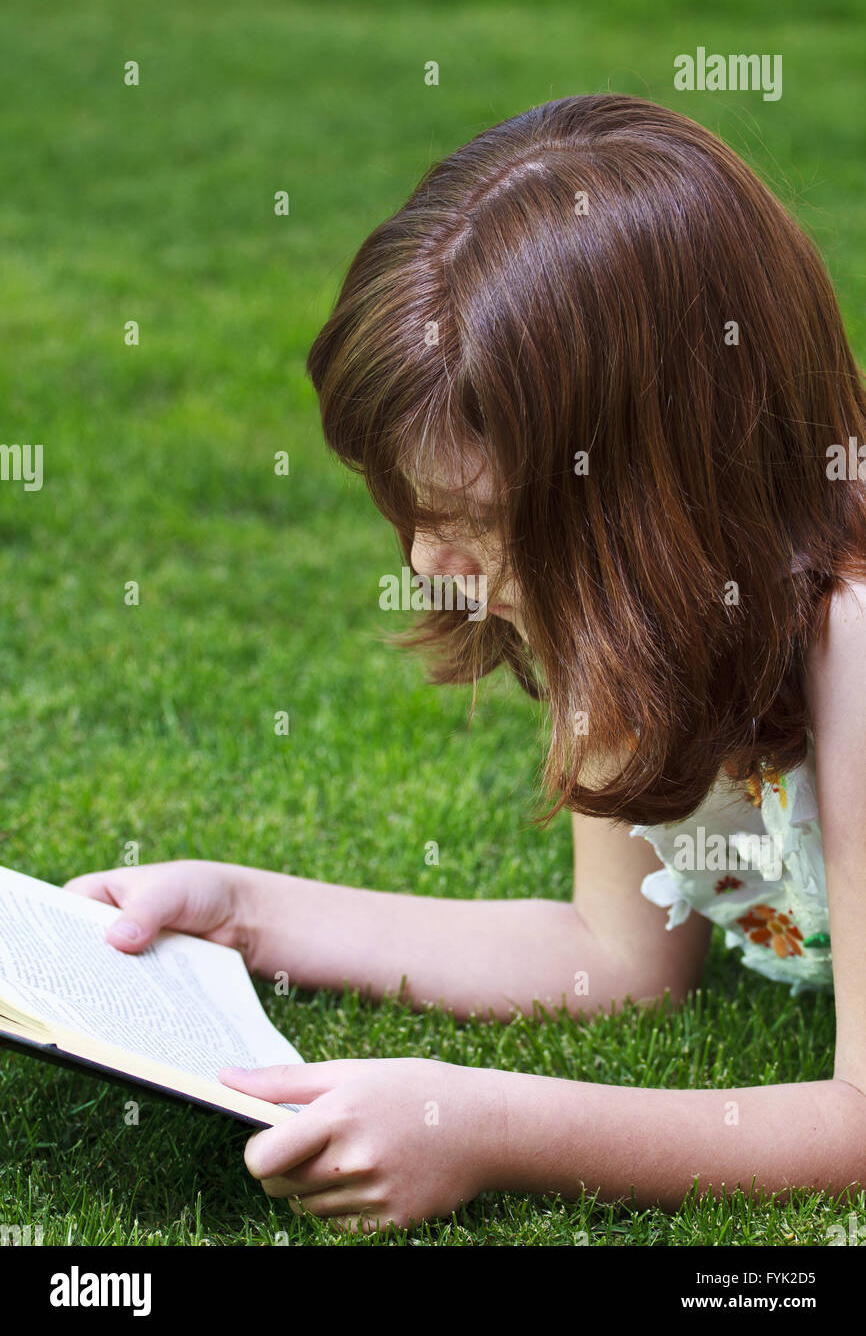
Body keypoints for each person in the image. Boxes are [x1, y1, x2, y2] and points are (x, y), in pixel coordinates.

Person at [66, 94, 866, 1234]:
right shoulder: (640, 624)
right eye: (409, 508)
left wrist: (482, 1125)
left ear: (654, 506)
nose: (429, 564)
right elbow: (616, 957)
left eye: (473, 518)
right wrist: (243, 910)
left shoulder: (851, 636)